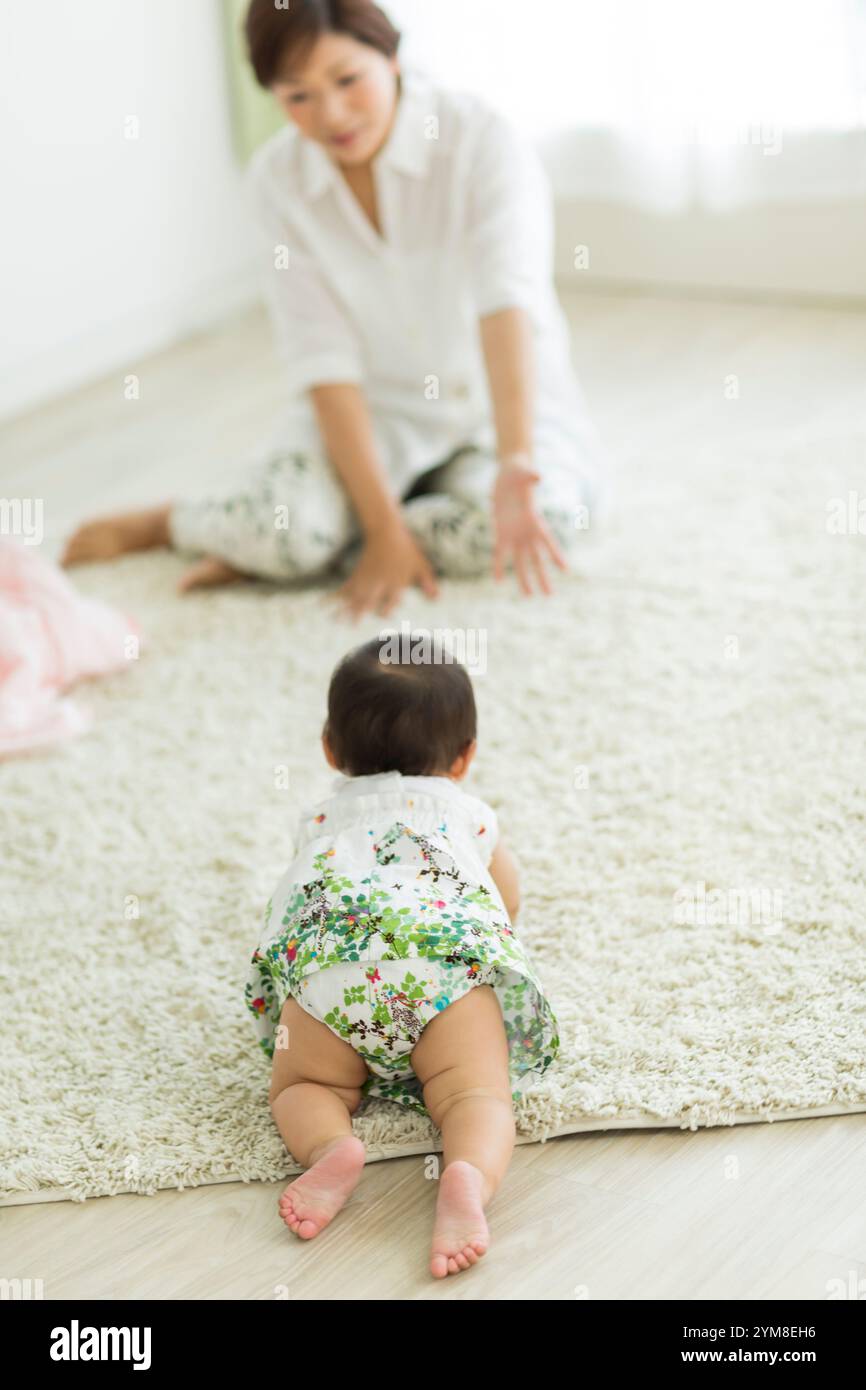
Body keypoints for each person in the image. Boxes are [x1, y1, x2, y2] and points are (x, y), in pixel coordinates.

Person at [63, 0, 604, 619]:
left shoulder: (478, 138)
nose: (333, 116)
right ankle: (173, 522)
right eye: (298, 96)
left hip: (498, 415)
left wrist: (514, 464)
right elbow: (323, 359)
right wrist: (381, 531)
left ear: (392, 57)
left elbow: (506, 301)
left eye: (348, 80)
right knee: (292, 535)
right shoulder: (278, 182)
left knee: (547, 522)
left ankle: (311, 536)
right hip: (376, 419)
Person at [245, 633, 560, 1277]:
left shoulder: (317, 819)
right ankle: (466, 1175)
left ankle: (332, 1146)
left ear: (331, 749)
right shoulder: (468, 815)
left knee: (303, 1083)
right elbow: (508, 897)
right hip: (442, 973)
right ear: (465, 757)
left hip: (331, 977)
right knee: (476, 1093)